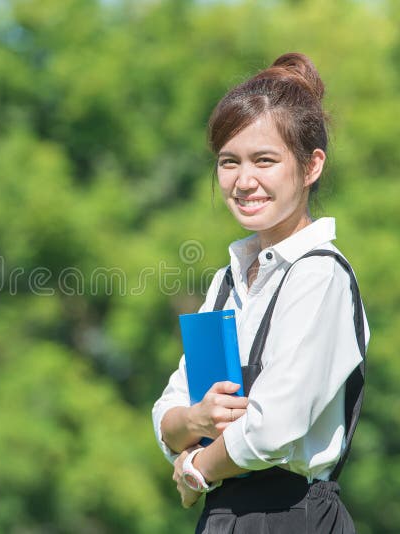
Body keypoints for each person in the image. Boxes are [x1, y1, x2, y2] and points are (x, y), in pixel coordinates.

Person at [151, 52, 369, 533]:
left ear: (311, 166)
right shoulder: (227, 280)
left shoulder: (320, 276)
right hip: (223, 517)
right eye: (229, 162)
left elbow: (271, 430)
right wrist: (197, 417)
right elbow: (167, 412)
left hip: (291, 516)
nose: (244, 181)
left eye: (264, 161)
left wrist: (195, 469)